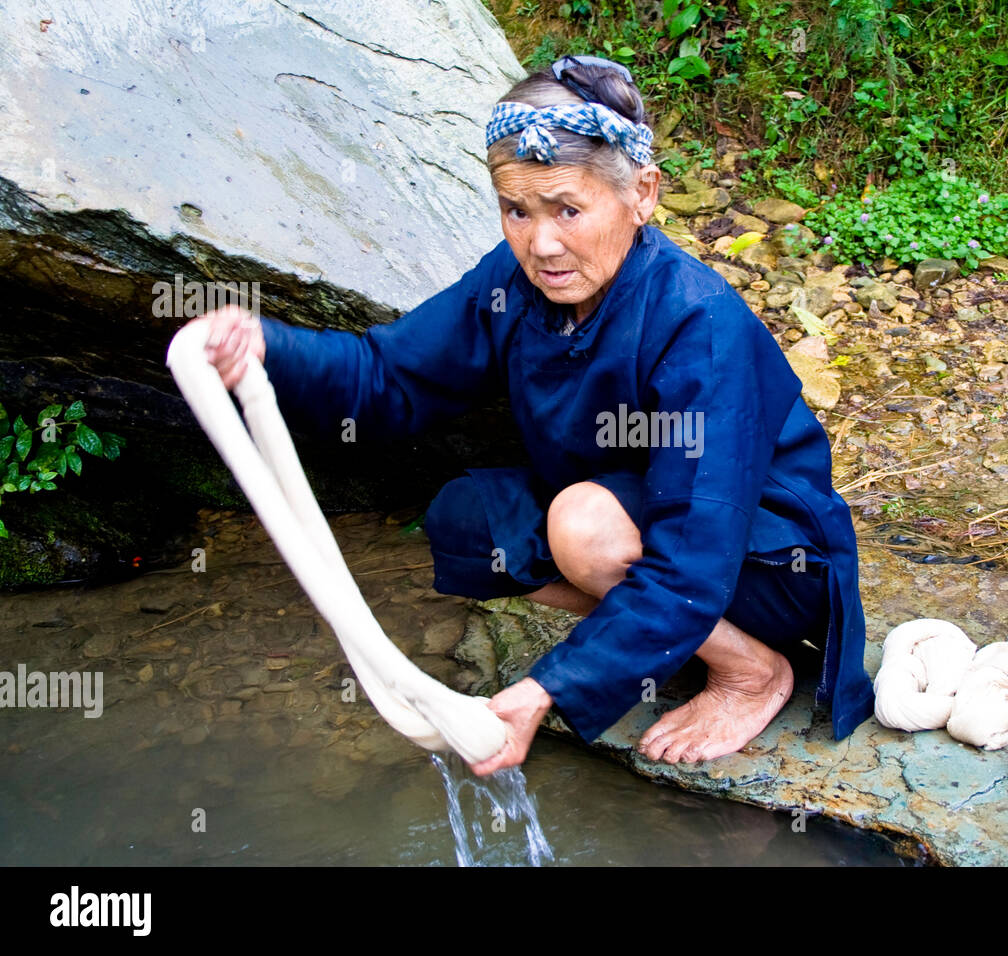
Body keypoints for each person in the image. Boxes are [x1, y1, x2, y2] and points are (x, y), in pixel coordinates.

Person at [199, 54, 874, 777]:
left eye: (567, 209)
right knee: (469, 521)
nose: (541, 243)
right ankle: (658, 639)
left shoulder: (697, 324)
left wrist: (546, 688)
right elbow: (390, 375)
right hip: (636, 516)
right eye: (516, 209)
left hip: (767, 559)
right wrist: (266, 347)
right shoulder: (515, 281)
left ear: (642, 193)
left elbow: (692, 557)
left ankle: (750, 669)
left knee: (581, 527)